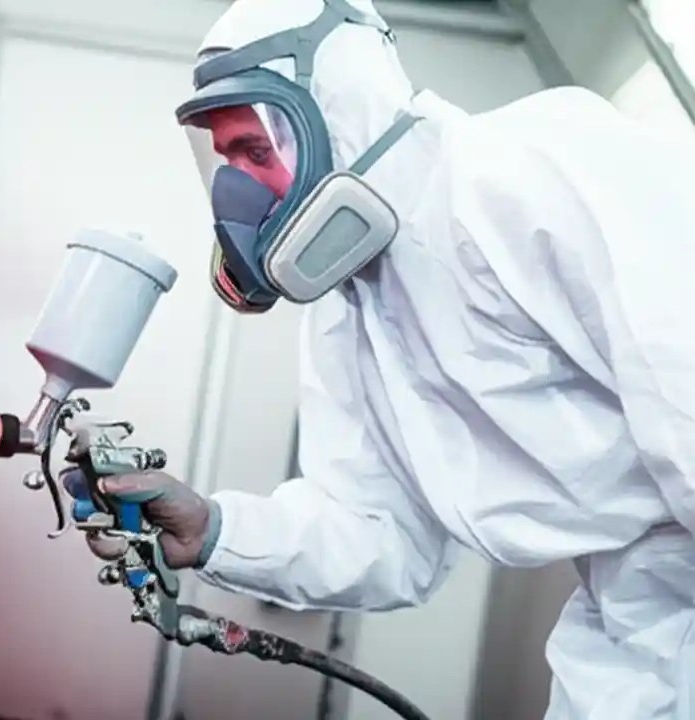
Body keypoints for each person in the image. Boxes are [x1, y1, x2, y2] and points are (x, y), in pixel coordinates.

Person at [72, 0, 695, 717]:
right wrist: (216, 529)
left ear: (334, 112)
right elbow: (384, 536)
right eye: (225, 162)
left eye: (255, 152)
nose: (236, 193)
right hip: (631, 630)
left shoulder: (533, 165)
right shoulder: (350, 303)